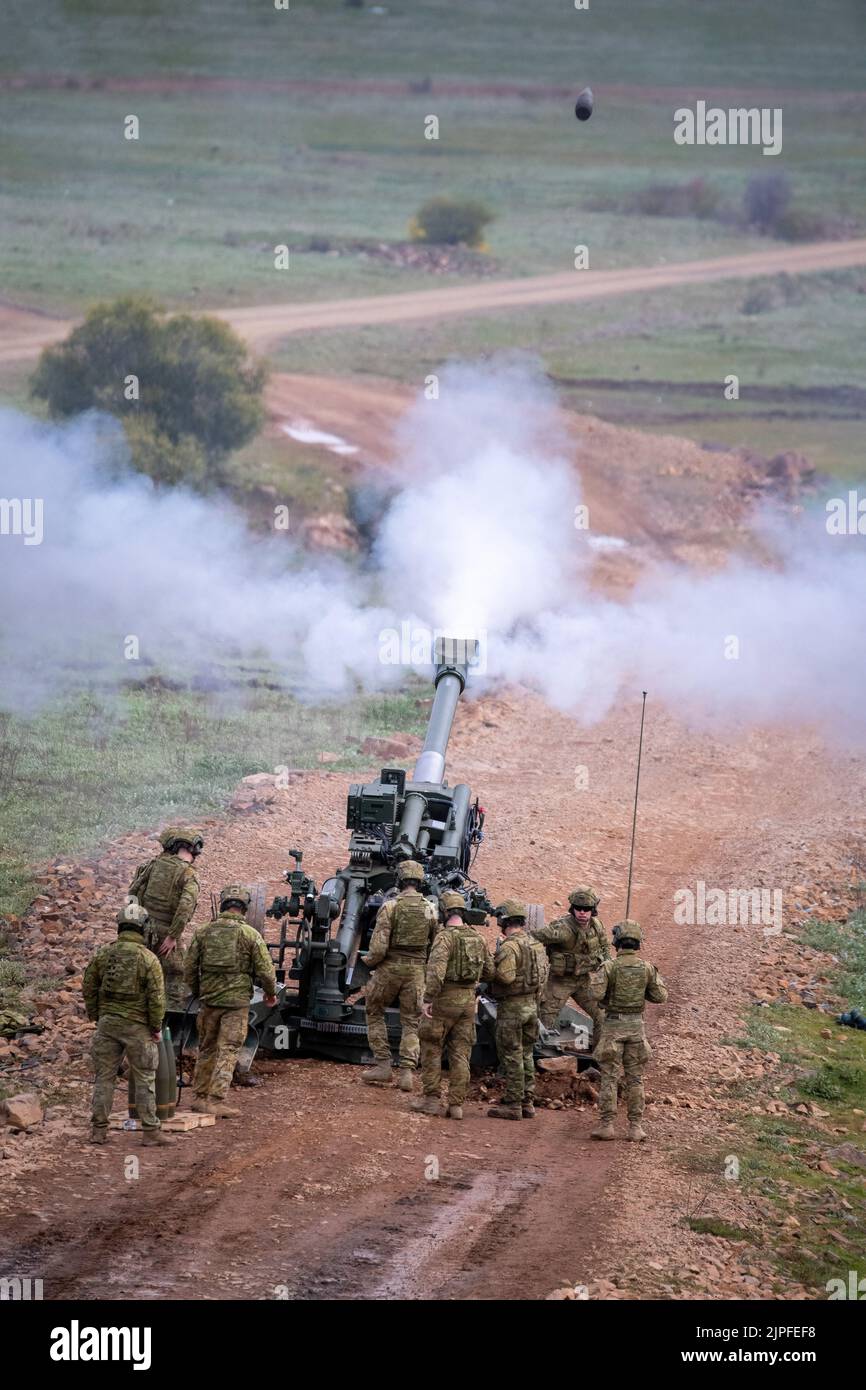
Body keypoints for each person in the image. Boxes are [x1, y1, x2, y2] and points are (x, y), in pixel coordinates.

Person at [83, 898, 172, 1146]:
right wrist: (156, 1028)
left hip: (107, 1025)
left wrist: (97, 1015)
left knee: (104, 1079)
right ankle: (151, 1132)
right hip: (138, 1028)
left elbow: (89, 986)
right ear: (144, 928)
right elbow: (156, 999)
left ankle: (99, 1131)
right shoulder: (149, 959)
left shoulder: (104, 954)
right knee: (144, 1078)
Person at [184, 884, 277, 1118]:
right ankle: (215, 1100)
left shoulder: (203, 932)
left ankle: (198, 1097)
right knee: (229, 1049)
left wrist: (198, 991)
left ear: (224, 904)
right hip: (236, 1004)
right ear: (244, 907)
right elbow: (265, 971)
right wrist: (270, 993)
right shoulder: (250, 935)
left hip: (208, 1001)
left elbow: (189, 968)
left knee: (206, 1048)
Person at [412, 891, 494, 1119]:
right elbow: (490, 972)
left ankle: (431, 1099)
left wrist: (428, 999)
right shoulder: (477, 938)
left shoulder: (444, 937)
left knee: (431, 1047)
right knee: (461, 1053)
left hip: (444, 1000)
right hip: (468, 1003)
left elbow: (436, 972)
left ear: (444, 912)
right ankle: (456, 1105)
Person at [360, 860, 438, 1091]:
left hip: (390, 969)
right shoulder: (429, 908)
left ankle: (383, 1066)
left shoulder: (391, 907)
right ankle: (406, 1072)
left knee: (374, 1011)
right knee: (411, 1022)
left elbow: (379, 947)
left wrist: (368, 961)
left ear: (400, 880)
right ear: (419, 881)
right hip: (416, 972)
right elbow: (435, 943)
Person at [590, 920, 667, 1141]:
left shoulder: (609, 967)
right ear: (638, 943)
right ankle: (635, 1127)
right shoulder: (647, 968)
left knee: (609, 1078)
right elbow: (660, 996)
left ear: (617, 942)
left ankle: (607, 1125)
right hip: (635, 1027)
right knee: (635, 1079)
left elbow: (595, 994)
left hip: (613, 1026)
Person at [127, 827, 203, 1010]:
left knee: (141, 970)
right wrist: (172, 936)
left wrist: (133, 924)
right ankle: (170, 1017)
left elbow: (133, 892)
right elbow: (185, 907)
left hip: (142, 927)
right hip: (165, 933)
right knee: (176, 973)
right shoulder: (188, 874)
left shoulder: (152, 865)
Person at [487, 900, 549, 1121]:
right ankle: (527, 1101)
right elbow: (543, 977)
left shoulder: (509, 947)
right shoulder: (536, 945)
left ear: (504, 921)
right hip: (531, 1006)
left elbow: (506, 976)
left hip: (512, 1007)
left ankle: (513, 1103)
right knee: (526, 1053)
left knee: (511, 1055)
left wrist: (489, 971)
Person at [532, 884, 608, 1042]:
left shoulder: (597, 926)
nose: (582, 912)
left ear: (593, 910)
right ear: (572, 909)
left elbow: (605, 948)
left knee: (603, 1015)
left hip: (584, 981)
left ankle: (599, 1056)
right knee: (544, 1021)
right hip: (560, 982)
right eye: (578, 908)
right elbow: (534, 936)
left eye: (586, 909)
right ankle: (542, 1060)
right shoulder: (562, 929)